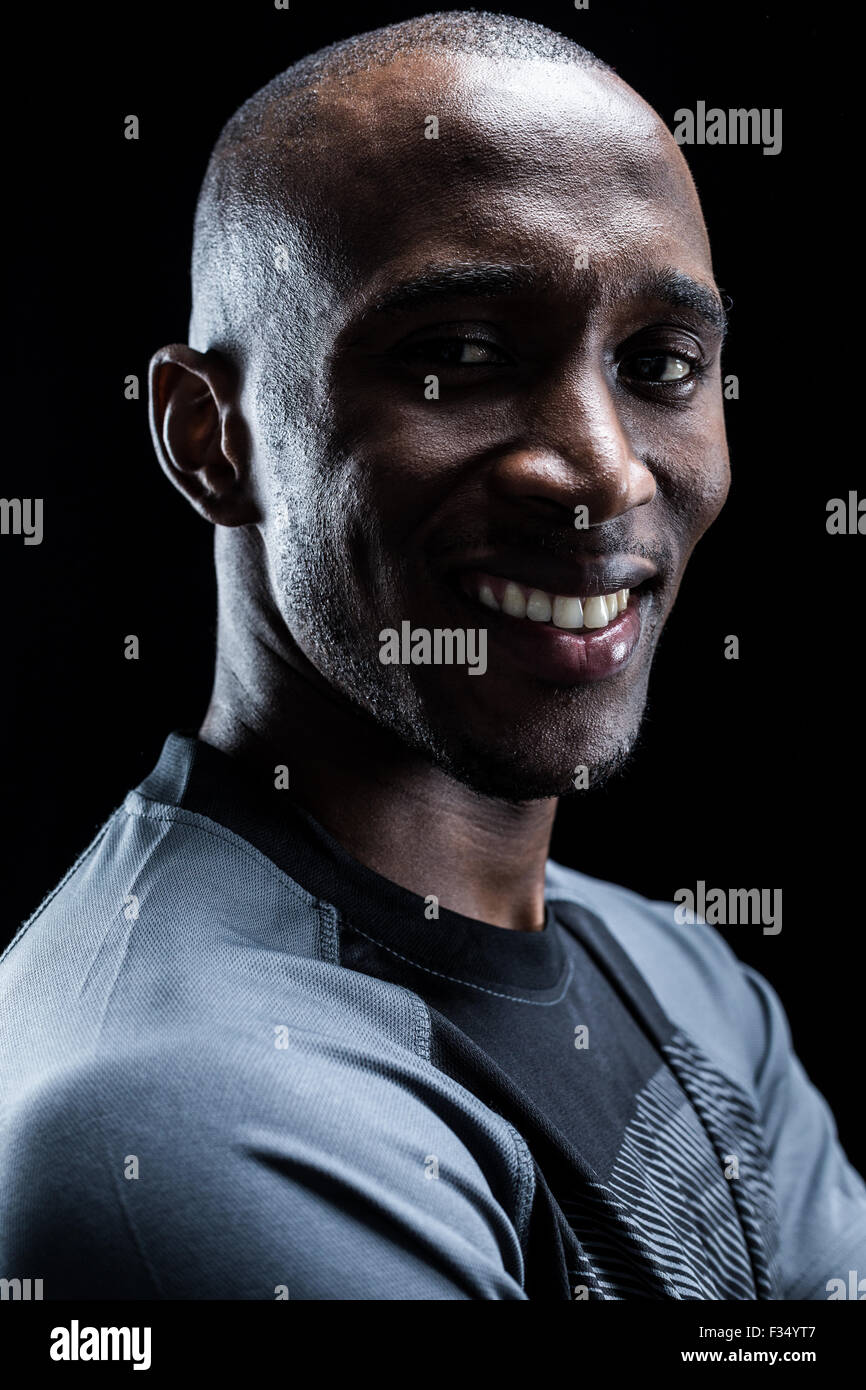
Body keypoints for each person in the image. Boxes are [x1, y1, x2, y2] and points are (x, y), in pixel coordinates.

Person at [2, 11, 863, 1301]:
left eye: (660, 365)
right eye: (460, 358)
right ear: (208, 437)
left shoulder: (691, 988)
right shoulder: (175, 1111)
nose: (601, 470)